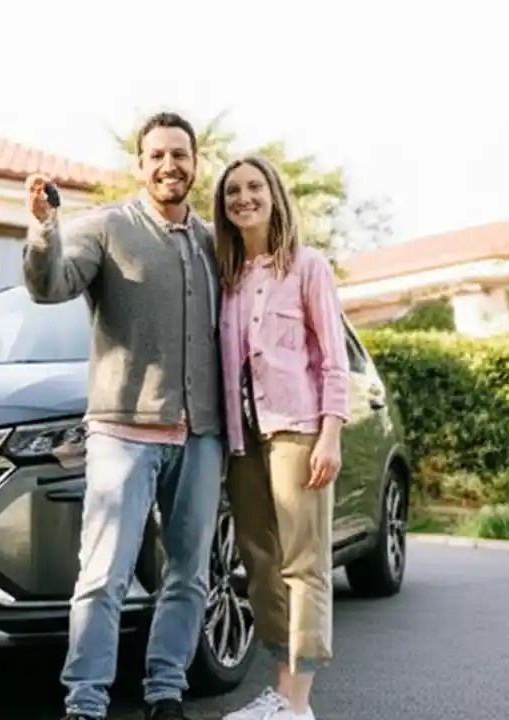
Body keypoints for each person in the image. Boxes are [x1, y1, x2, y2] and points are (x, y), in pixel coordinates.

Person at [21, 112, 224, 720]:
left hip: (200, 436)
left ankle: (166, 694)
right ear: (140, 165)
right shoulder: (105, 227)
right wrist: (43, 227)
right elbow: (49, 284)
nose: (170, 165)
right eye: (157, 155)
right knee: (103, 577)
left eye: (180, 154)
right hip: (122, 434)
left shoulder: (214, 242)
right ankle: (86, 703)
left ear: (195, 161)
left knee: (189, 576)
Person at [212, 156, 351, 720]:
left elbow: (334, 359)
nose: (243, 198)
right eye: (232, 191)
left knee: (303, 564)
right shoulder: (227, 277)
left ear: (274, 195)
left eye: (254, 187)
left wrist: (330, 434)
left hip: (298, 429)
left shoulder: (309, 266)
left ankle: (297, 704)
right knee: (261, 564)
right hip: (243, 438)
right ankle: (280, 692)